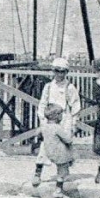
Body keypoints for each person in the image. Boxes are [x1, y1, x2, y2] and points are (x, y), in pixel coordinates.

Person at [33, 58, 81, 189]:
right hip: (50, 120)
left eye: (62, 72)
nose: (59, 74)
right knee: (45, 146)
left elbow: (75, 105)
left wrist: (74, 123)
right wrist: (43, 120)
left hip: (64, 119)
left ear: (66, 72)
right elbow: (42, 103)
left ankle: (63, 175)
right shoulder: (48, 87)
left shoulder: (69, 87)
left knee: (64, 147)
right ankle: (38, 172)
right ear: (53, 71)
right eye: (57, 71)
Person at [34, 103, 76, 198]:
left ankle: (38, 176)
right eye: (61, 114)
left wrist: (43, 138)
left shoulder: (44, 127)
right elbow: (68, 140)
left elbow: (37, 133)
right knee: (62, 172)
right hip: (60, 153)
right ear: (56, 116)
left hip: (49, 152)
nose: (62, 116)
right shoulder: (57, 128)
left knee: (59, 168)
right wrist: (71, 136)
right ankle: (58, 190)